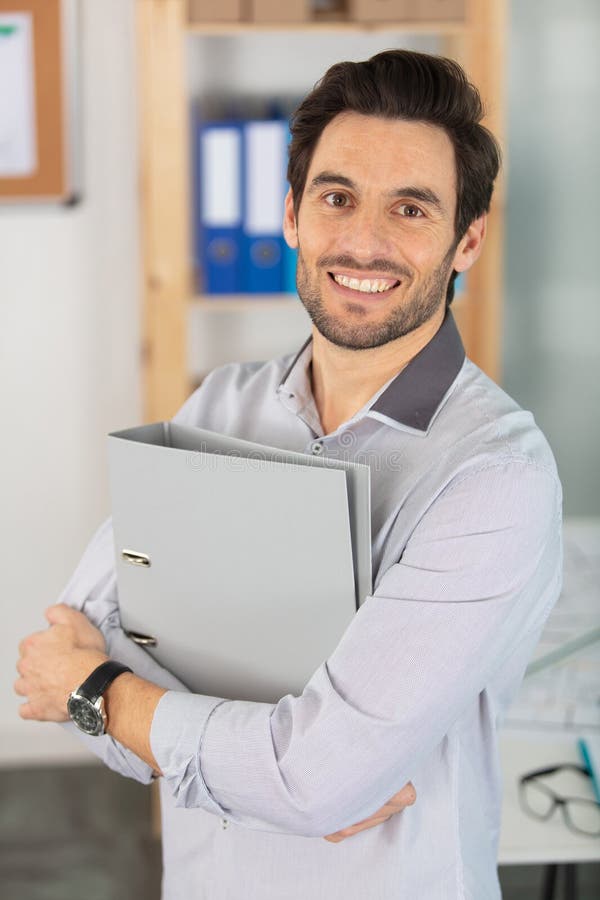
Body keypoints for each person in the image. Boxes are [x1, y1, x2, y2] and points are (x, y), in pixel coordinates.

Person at [15, 49, 562, 899]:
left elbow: (308, 779)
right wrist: (273, 767)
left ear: (468, 241)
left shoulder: (494, 479)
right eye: (336, 196)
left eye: (411, 208)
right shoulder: (217, 409)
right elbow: (67, 641)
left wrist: (109, 696)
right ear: (292, 217)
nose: (364, 241)